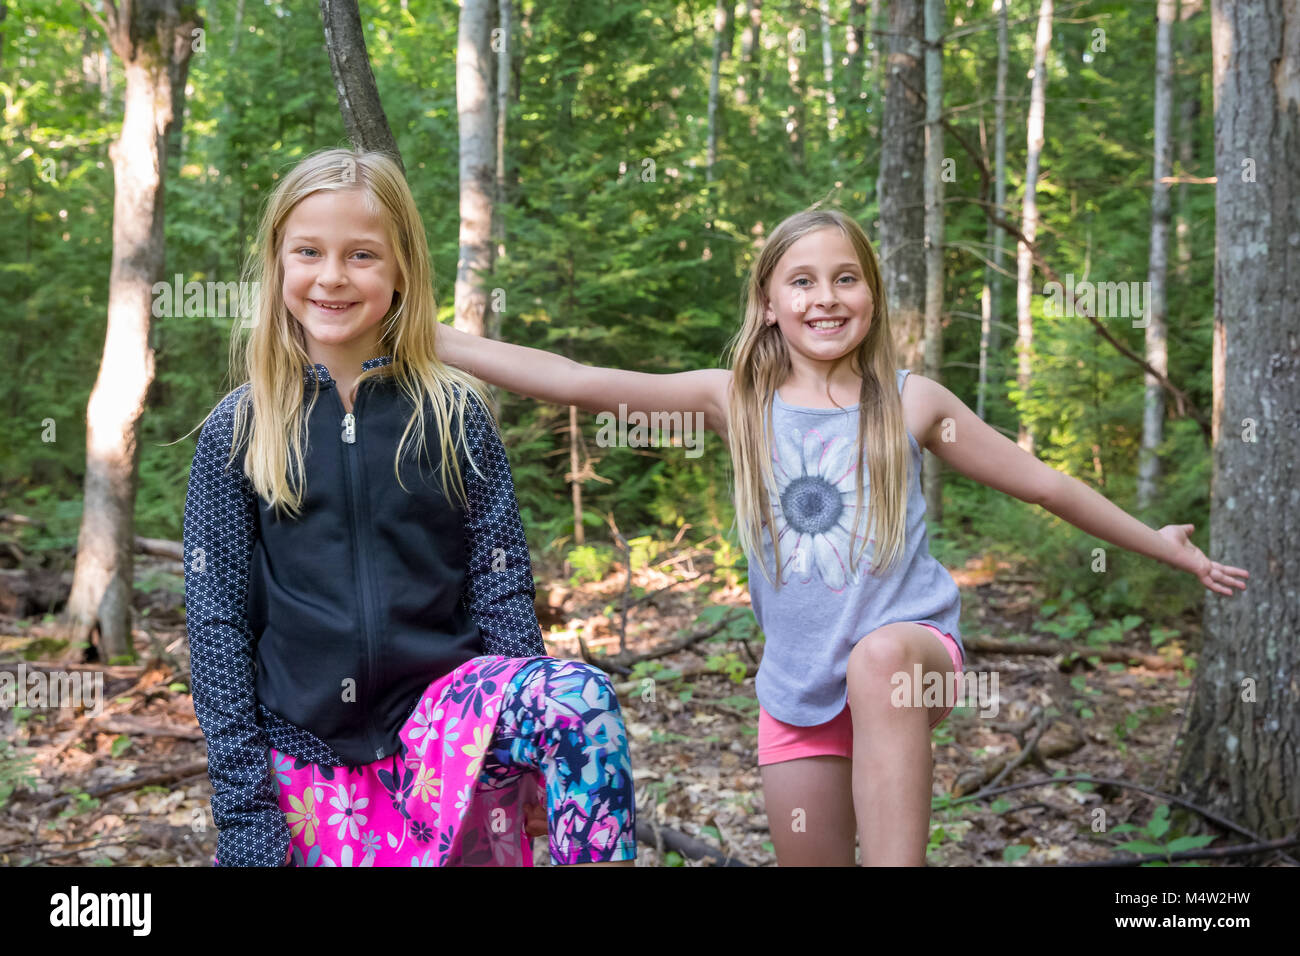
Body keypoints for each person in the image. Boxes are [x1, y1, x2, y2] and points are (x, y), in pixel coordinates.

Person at [434, 206, 1249, 866]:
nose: (826, 297)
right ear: (769, 303)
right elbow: (579, 381)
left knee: (881, 657)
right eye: (803, 281)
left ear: (872, 296)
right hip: (797, 693)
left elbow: (1046, 483)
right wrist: (421, 337)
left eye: (846, 278)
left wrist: (1158, 542)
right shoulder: (736, 403)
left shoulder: (912, 403)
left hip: (911, 660)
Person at [181, 148, 636, 867]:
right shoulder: (237, 430)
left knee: (577, 698)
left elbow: (501, 585)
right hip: (306, 755)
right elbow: (216, 631)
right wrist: (245, 817)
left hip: (448, 730)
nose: (332, 276)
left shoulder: (454, 415)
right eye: (309, 252)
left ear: (401, 273)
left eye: (362, 255)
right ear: (277, 265)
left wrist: (527, 763)